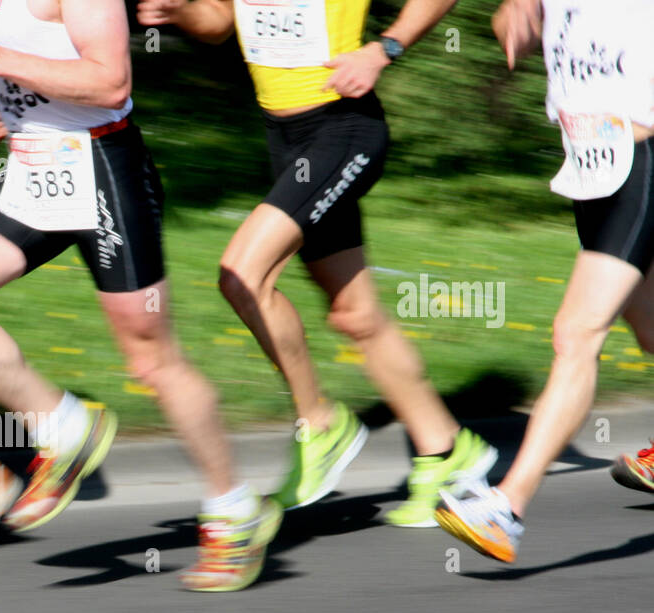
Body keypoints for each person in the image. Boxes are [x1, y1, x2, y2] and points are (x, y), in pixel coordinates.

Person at [0, 0, 281, 589]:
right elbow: (45, 62)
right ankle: (62, 426)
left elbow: (109, 81)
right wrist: (7, 106)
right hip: (34, 165)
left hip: (103, 166)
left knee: (151, 358)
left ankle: (236, 509)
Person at [137, 0, 496, 527]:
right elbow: (218, 24)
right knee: (355, 315)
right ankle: (447, 452)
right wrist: (181, 11)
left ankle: (321, 423)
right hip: (287, 138)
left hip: (342, 130)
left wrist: (384, 49)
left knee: (241, 275)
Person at [436, 0, 654, 562]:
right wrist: (515, 14)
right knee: (646, 319)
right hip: (591, 162)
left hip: (642, 156)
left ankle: (505, 508)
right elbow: (515, 16)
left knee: (576, 334)